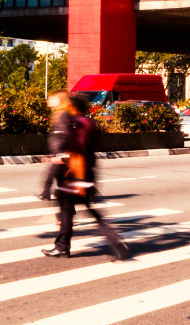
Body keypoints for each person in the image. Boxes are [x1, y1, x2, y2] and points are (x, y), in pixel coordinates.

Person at [43, 95, 129, 260]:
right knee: (89, 210)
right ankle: (115, 241)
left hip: (76, 174)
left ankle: (61, 247)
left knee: (66, 211)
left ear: (74, 108)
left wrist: (77, 178)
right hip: (88, 172)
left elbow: (78, 153)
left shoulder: (79, 125)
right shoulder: (91, 123)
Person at [39, 91, 76, 201]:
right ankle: (50, 192)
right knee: (57, 173)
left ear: (60, 100)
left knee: (56, 172)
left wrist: (60, 153)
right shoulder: (60, 114)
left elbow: (64, 133)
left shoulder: (63, 114)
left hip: (60, 151)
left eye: (53, 98)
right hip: (58, 150)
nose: (49, 100)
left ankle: (48, 192)